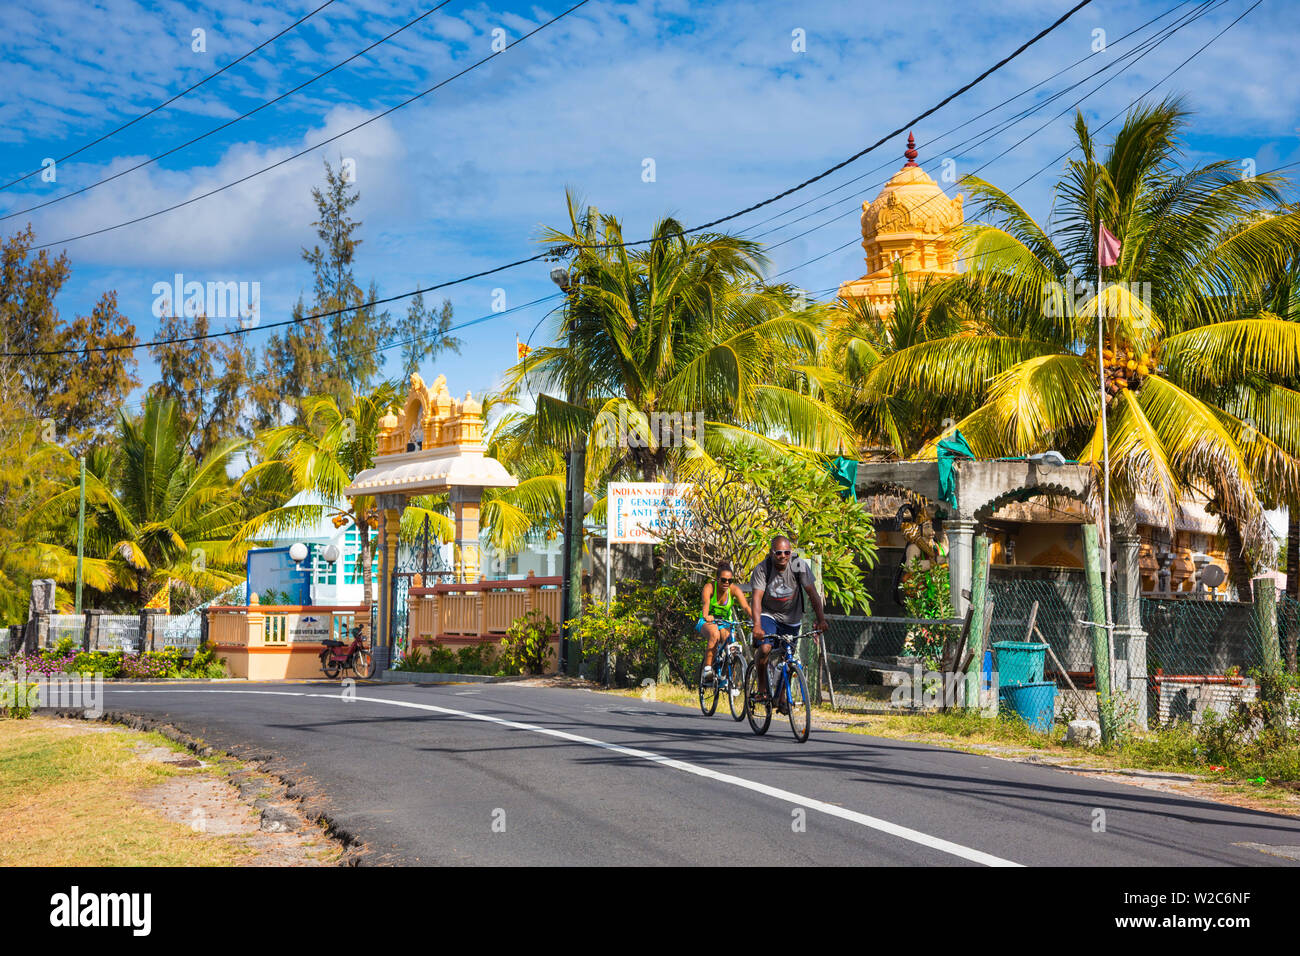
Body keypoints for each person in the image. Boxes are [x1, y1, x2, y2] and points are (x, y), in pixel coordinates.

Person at [751, 535, 828, 711]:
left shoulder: (798, 565)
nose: (783, 556)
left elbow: (813, 594)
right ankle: (762, 687)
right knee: (764, 649)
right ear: (772, 553)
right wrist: (756, 625)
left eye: (787, 552)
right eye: (779, 553)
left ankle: (783, 698)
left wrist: (821, 619)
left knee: (788, 658)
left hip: (792, 618)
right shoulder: (762, 569)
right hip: (768, 614)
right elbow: (756, 599)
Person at [697, 560, 753, 684]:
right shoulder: (709, 587)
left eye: (729, 580)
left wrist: (756, 619)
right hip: (708, 621)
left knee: (731, 647)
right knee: (714, 634)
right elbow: (706, 604)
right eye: (723, 580)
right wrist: (707, 616)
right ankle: (707, 670)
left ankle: (728, 680)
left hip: (725, 623)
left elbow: (745, 607)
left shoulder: (734, 590)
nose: (726, 583)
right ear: (717, 579)